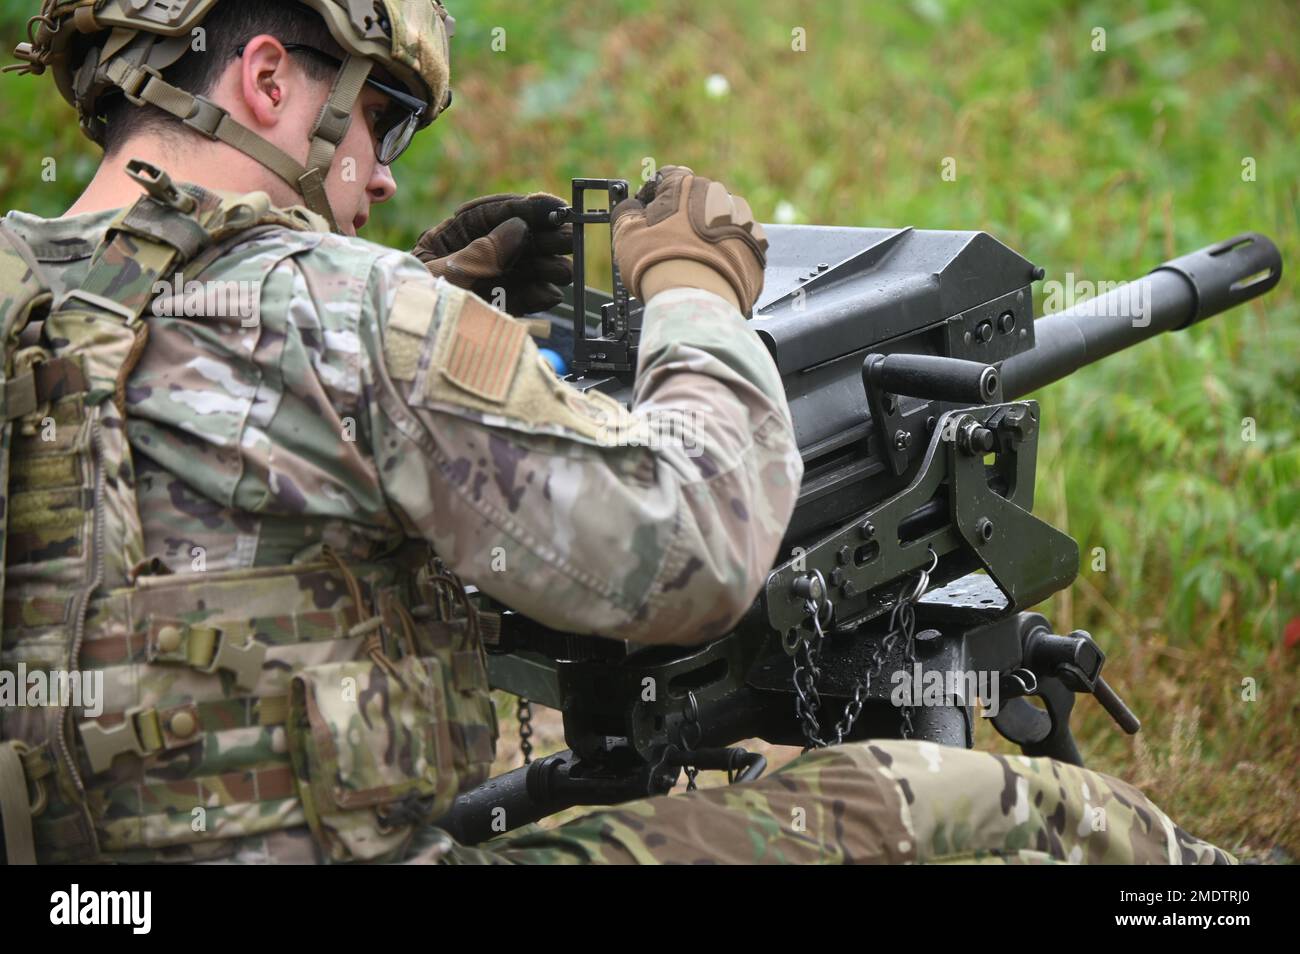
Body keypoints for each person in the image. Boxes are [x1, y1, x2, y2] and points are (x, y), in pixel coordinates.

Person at [0, 0, 1231, 866]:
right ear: (268, 82)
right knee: (997, 804)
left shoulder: (26, 294)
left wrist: (432, 316)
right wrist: (693, 289)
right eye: (387, 116)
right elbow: (692, 551)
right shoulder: (355, 318)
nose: (382, 177)